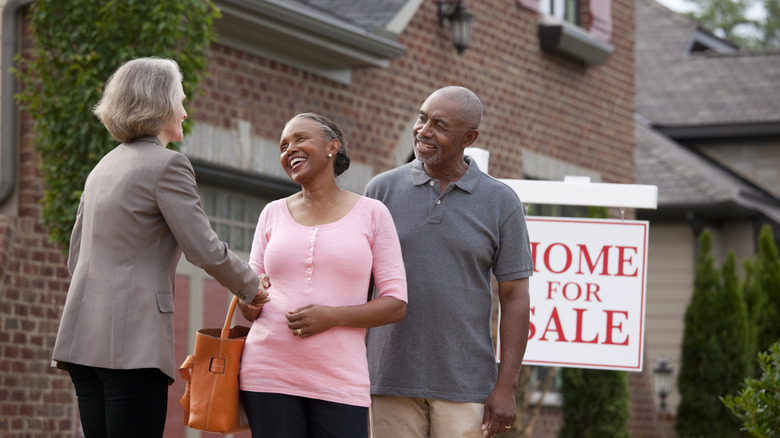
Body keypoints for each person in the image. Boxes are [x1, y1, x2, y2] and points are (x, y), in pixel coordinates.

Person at [51, 57, 269, 438]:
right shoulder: (169, 166)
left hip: (82, 339)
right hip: (132, 343)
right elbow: (202, 247)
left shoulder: (101, 168)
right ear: (161, 104)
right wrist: (252, 287)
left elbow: (76, 258)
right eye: (181, 100)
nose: (185, 111)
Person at [364, 86, 534, 438]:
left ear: (468, 138)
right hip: (387, 376)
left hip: (465, 383)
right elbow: (359, 284)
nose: (424, 131)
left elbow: (515, 296)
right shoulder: (380, 191)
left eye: (439, 125)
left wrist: (506, 386)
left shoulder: (501, 203)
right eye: (422, 118)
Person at [238, 112, 408, 438]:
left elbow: (396, 304)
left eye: (300, 139)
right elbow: (250, 307)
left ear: (333, 146)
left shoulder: (372, 214)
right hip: (268, 373)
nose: (289, 149)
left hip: (340, 379)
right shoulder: (272, 214)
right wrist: (250, 295)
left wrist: (332, 316)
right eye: (283, 145)